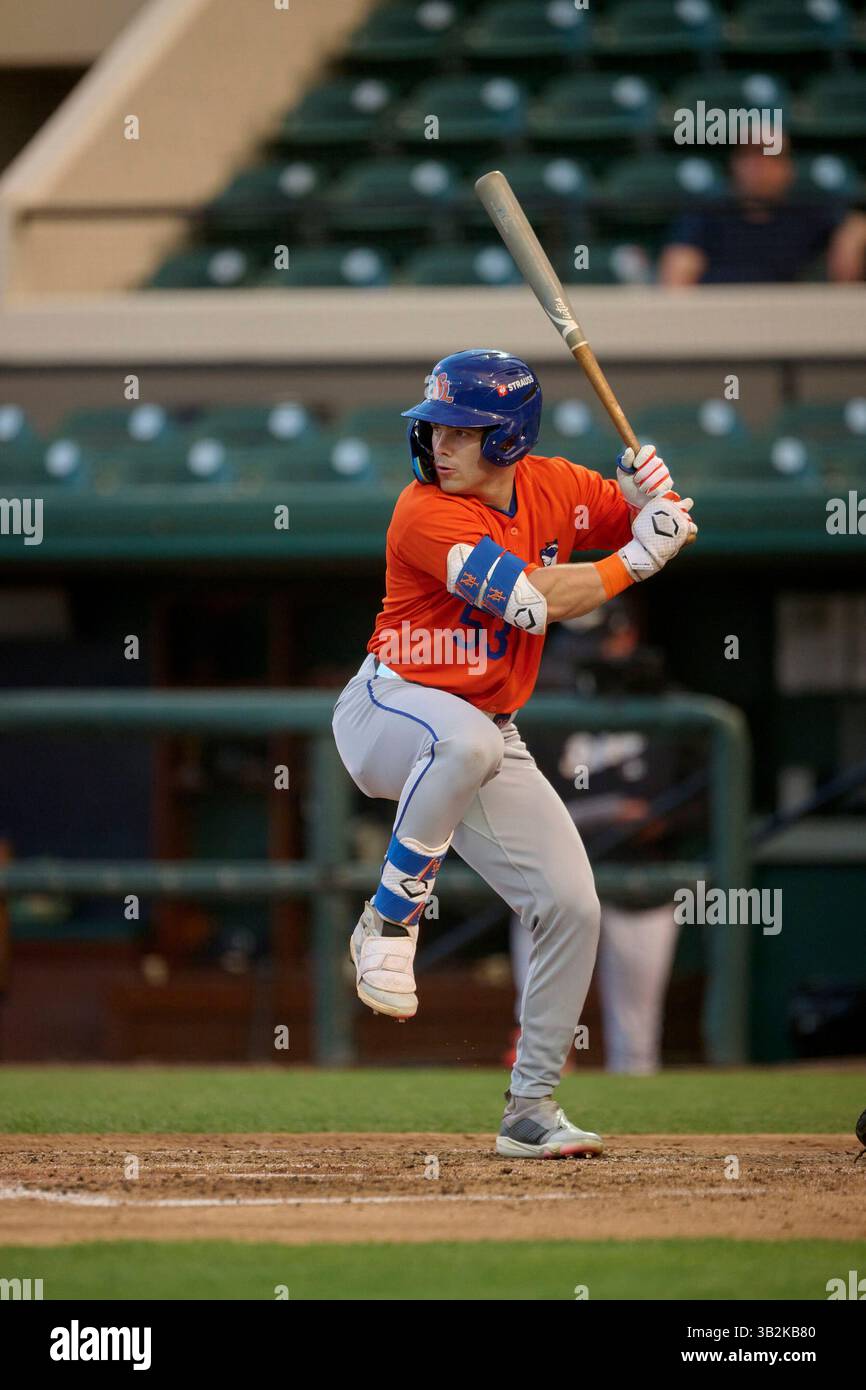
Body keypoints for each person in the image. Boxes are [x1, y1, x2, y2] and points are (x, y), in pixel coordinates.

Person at [331, 348, 696, 1159]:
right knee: (459, 737)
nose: (438, 444)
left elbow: (652, 514)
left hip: (488, 730)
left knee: (572, 904)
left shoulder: (559, 485)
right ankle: (388, 924)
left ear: (508, 439)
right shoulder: (423, 512)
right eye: (433, 428)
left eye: (461, 431)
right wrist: (641, 556)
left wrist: (649, 495)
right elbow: (533, 603)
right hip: (388, 709)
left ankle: (530, 1109)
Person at [506, 599, 700, 1076]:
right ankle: (537, 1112)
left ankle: (635, 1142)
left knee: (635, 1037)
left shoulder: (672, 707)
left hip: (644, 880)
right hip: (562, 879)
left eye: (602, 641)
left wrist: (663, 821)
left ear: (627, 635)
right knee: (539, 1026)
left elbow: (706, 795)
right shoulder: (544, 706)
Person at [659, 138, 866, 285]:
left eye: (770, 154)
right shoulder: (707, 213)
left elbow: (855, 226)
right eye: (750, 154)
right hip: (719, 319)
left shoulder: (808, 211)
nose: (759, 165)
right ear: (735, 163)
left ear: (788, 167)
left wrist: (851, 238)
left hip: (789, 321)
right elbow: (677, 278)